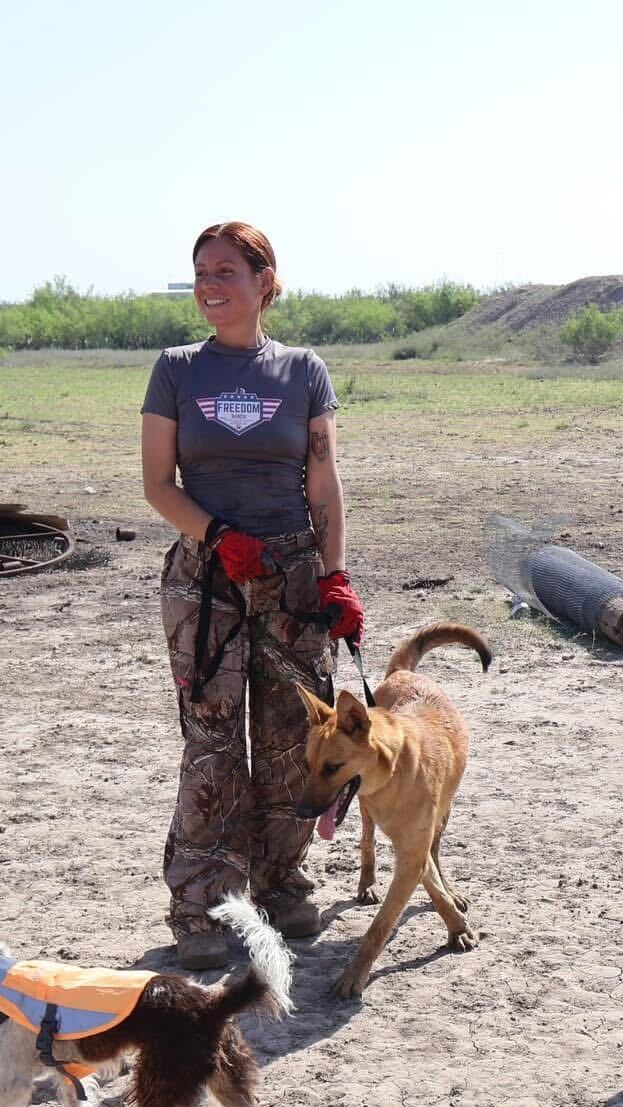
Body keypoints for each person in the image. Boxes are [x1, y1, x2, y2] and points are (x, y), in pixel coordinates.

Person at [141, 222, 364, 969]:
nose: (211, 285)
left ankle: (280, 882)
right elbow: (156, 486)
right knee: (211, 743)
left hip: (294, 575)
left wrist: (334, 574)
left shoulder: (303, 372)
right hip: (206, 580)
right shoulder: (176, 370)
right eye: (201, 272)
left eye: (227, 271)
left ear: (265, 280)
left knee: (289, 741)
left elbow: (323, 482)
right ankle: (203, 905)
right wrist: (216, 536)